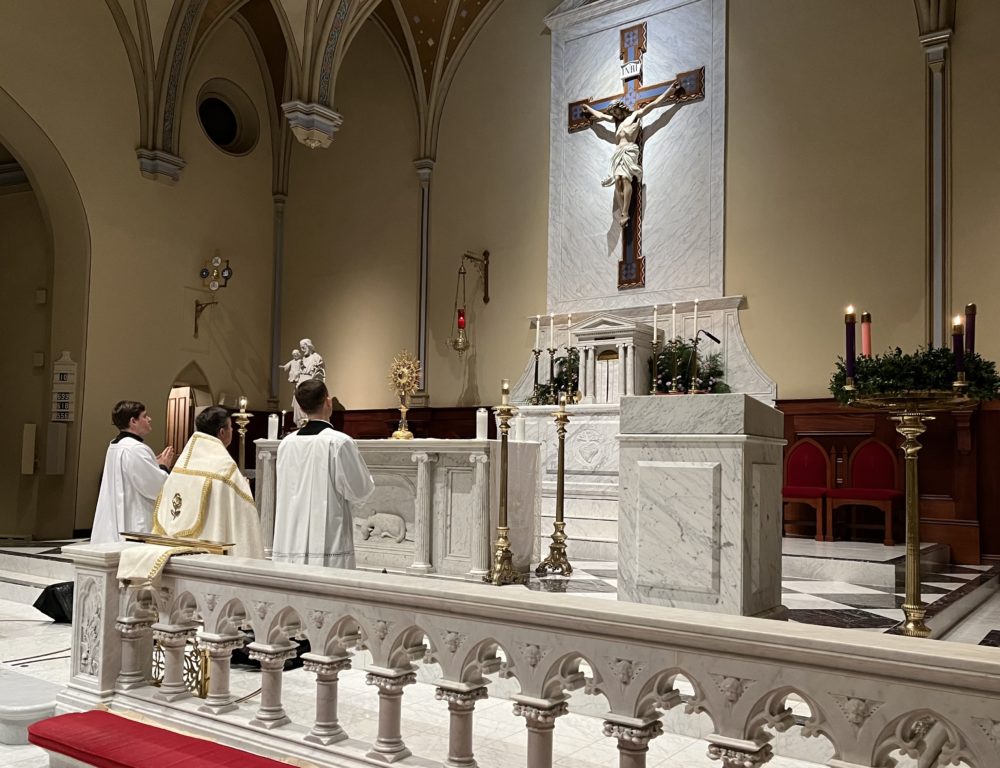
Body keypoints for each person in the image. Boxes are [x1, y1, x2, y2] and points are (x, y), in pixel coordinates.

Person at [273, 379, 374, 567]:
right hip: (327, 536)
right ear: (328, 402)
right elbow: (360, 490)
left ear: (301, 408)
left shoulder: (286, 443)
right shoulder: (339, 442)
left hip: (291, 535)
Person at [149, 405, 264, 558]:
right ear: (222, 432)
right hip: (209, 548)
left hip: (173, 546)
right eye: (230, 427)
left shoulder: (182, 465)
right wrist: (244, 487)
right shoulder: (224, 467)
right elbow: (242, 509)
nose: (232, 432)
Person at [582, 78, 684, 227]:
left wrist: (670, 91)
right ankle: (623, 208)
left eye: (615, 110)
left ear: (621, 108)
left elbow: (654, 105)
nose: (614, 114)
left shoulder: (635, 115)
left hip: (630, 150)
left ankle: (625, 212)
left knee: (624, 179)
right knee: (617, 180)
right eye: (613, 112)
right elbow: (601, 117)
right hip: (618, 152)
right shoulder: (616, 121)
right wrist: (589, 110)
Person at [91, 400, 175, 544]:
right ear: (133, 421)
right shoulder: (136, 448)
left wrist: (152, 464)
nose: (149, 419)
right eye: (145, 416)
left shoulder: (115, 444)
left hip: (115, 514)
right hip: (134, 517)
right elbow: (153, 487)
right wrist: (164, 467)